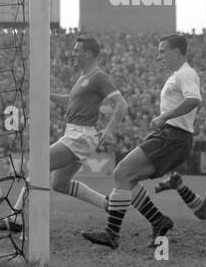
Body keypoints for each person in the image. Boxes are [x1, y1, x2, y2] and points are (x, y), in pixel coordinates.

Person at [0, 34, 128, 233]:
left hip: (80, 136)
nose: (72, 54)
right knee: (60, 184)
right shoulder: (83, 78)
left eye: (76, 50)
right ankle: (109, 206)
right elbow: (69, 99)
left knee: (39, 164)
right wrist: (47, 95)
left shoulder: (99, 76)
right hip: (76, 135)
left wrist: (110, 128)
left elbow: (122, 104)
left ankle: (16, 218)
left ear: (88, 54)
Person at [83, 33, 198, 250]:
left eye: (162, 51)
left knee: (121, 173)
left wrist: (165, 117)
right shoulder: (179, 75)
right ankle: (158, 221)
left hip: (173, 136)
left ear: (176, 51)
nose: (159, 56)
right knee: (128, 179)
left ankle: (112, 234)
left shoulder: (186, 74)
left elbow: (194, 100)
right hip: (170, 135)